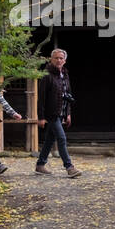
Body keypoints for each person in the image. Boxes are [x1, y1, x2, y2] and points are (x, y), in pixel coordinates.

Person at [36, 48, 81, 177]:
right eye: (56, 58)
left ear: (64, 61)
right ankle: (69, 167)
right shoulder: (46, 75)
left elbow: (68, 95)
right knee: (61, 138)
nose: (58, 60)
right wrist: (41, 117)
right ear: (51, 59)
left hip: (61, 112)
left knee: (50, 139)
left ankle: (40, 164)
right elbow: (41, 98)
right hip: (51, 114)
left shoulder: (65, 75)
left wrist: (68, 113)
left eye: (61, 58)